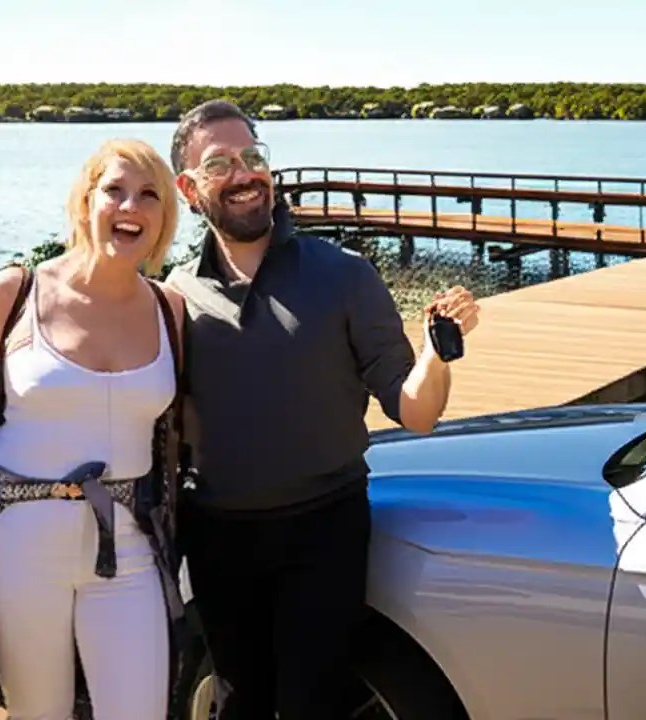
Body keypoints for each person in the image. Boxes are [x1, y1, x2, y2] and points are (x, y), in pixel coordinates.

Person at [164, 99, 481, 719]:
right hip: (216, 535)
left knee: (314, 704)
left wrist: (437, 356)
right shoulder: (175, 293)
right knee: (236, 703)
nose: (245, 174)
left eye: (254, 157)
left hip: (323, 530)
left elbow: (415, 412)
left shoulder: (345, 275)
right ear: (188, 186)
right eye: (221, 163)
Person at [0, 138, 192, 720]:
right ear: (86, 201)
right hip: (21, 545)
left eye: (149, 196)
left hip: (127, 544)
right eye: (114, 190)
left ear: (165, 216)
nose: (129, 207)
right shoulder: (21, 290)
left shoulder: (170, 308)